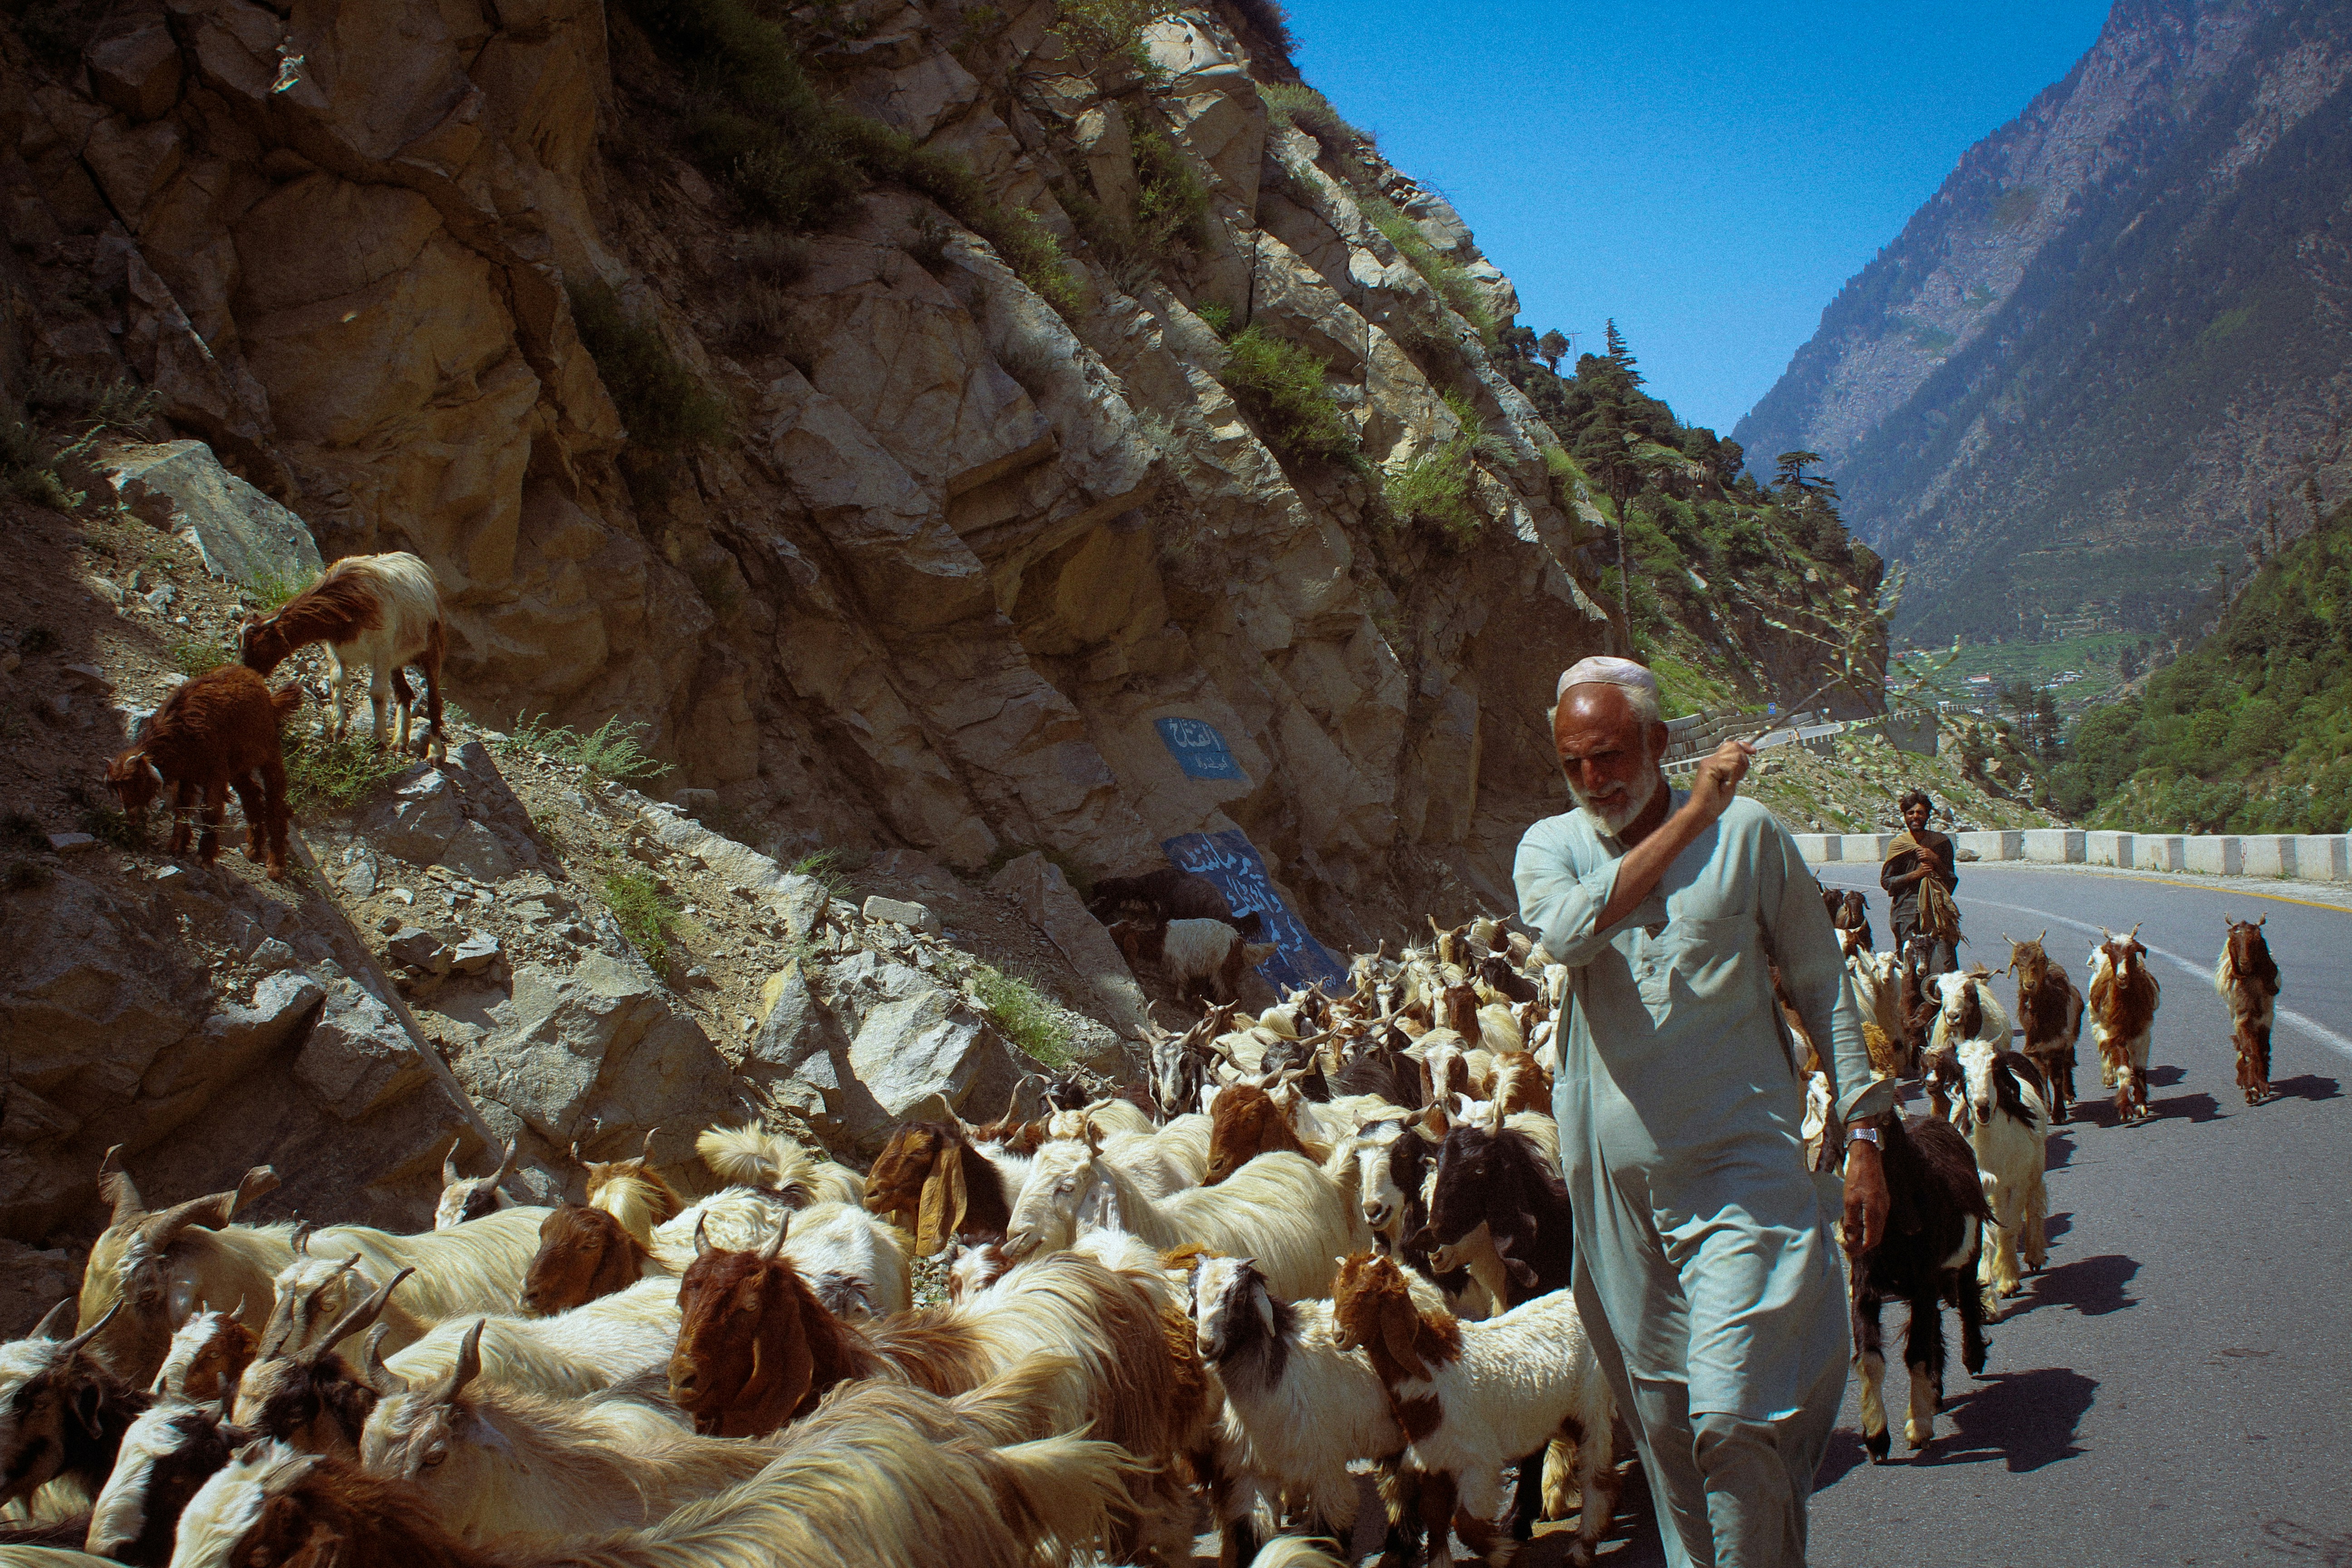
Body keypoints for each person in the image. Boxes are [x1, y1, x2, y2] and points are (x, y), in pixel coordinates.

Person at [1515, 657, 1894, 1568]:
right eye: (1576, 765)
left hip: (1740, 1172)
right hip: (1621, 1197)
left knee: (1733, 1413)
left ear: (1655, 743)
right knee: (1666, 1425)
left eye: (1610, 757)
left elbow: (1819, 979)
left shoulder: (1753, 838)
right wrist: (1692, 817)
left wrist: (1869, 1133)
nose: (1595, 781)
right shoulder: (1551, 846)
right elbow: (1568, 934)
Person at [1882, 789, 1959, 974]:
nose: (1915, 817)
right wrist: (1915, 875)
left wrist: (1936, 859)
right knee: (1909, 962)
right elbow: (1887, 882)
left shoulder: (1940, 843)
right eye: (1911, 813)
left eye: (1920, 812)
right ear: (1905, 817)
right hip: (1906, 908)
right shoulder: (1898, 846)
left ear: (1927, 816)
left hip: (1937, 908)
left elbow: (1951, 880)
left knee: (1946, 960)